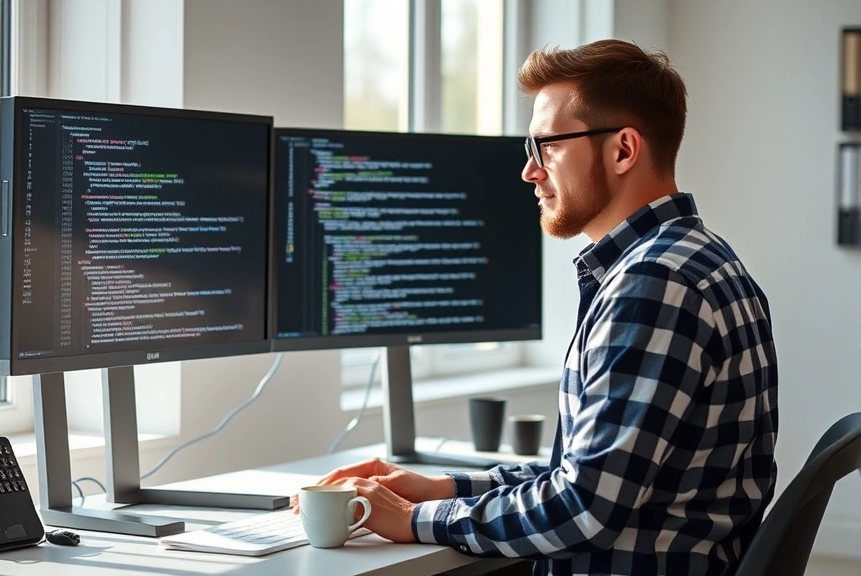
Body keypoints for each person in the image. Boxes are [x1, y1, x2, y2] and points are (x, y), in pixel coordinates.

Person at [298, 39, 779, 575]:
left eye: (546, 145)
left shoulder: (654, 283)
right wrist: (443, 486)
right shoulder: (701, 259)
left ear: (622, 149)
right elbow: (582, 474)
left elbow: (584, 507)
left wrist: (414, 519)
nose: (530, 171)